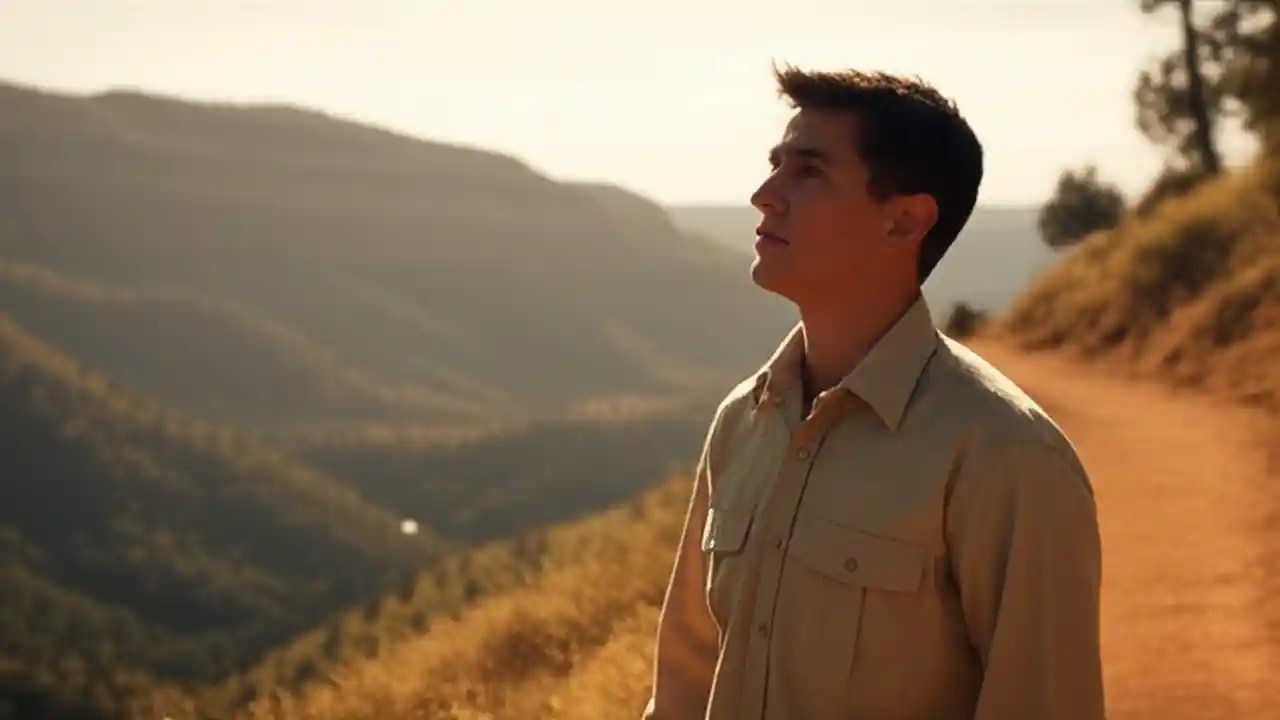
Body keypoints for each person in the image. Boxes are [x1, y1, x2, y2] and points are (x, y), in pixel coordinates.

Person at [643, 64, 1104, 720]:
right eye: (775, 164)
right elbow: (686, 683)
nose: (764, 194)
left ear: (903, 223)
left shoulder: (1006, 457)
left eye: (808, 171)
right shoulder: (744, 420)